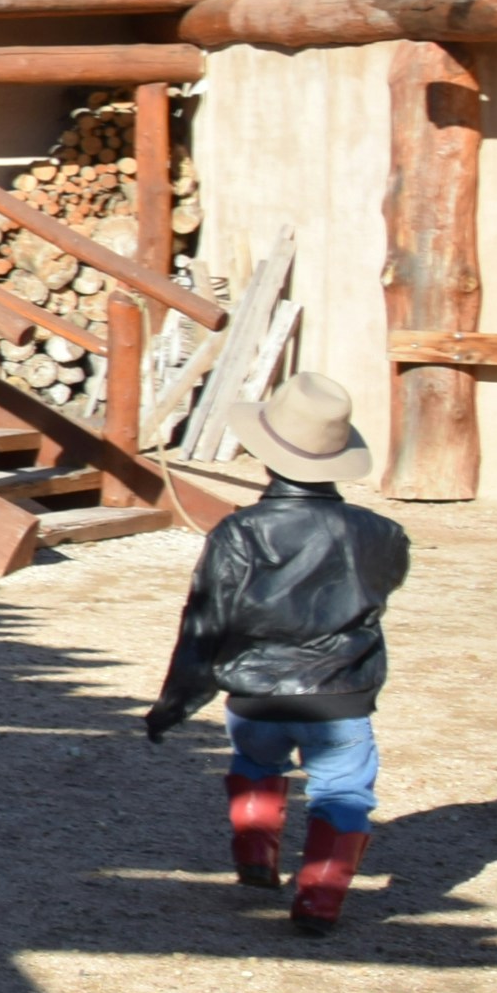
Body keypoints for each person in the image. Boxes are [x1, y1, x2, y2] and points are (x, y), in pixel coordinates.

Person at [144, 373, 411, 935]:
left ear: (266, 457)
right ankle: (319, 899)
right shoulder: (383, 533)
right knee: (343, 790)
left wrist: (176, 700)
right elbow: (383, 591)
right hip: (342, 691)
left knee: (256, 765)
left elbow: (205, 621)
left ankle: (256, 857)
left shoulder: (237, 533)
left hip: (255, 690)